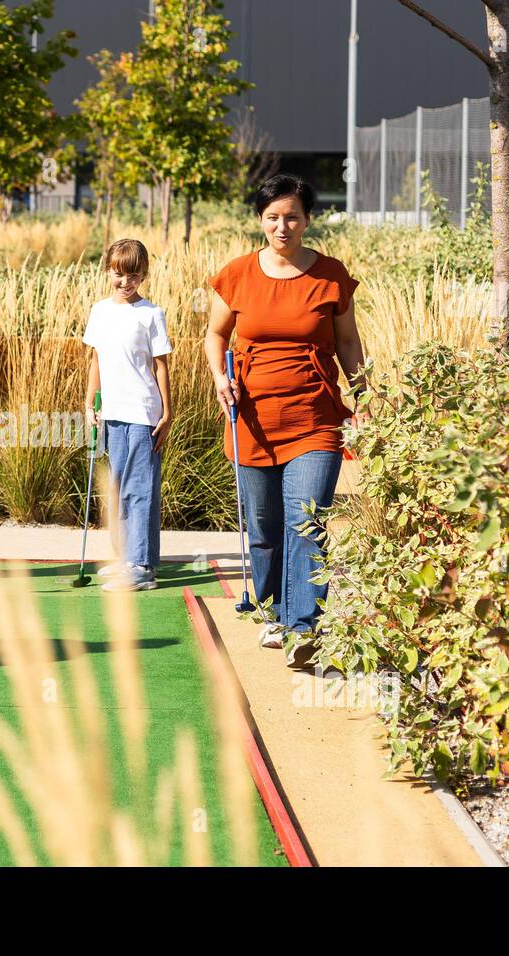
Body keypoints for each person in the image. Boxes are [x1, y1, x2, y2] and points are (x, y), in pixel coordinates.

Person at [204, 173, 369, 667]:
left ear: (307, 220)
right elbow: (215, 335)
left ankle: (304, 628)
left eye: (292, 216)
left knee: (308, 521)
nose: (283, 226)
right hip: (251, 418)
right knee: (264, 527)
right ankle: (274, 612)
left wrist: (365, 397)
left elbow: (347, 343)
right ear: (260, 220)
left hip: (315, 418)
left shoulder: (331, 275)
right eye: (273, 217)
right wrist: (218, 376)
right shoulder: (236, 275)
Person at [83, 238, 173, 592]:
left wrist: (167, 411)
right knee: (119, 486)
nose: (125, 282)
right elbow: (95, 359)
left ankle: (141, 565)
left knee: (140, 488)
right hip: (113, 412)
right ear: (108, 272)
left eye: (133, 275)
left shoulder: (151, 314)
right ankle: (126, 558)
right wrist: (90, 402)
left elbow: (160, 364)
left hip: (143, 411)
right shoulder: (100, 311)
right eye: (118, 274)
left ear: (144, 275)